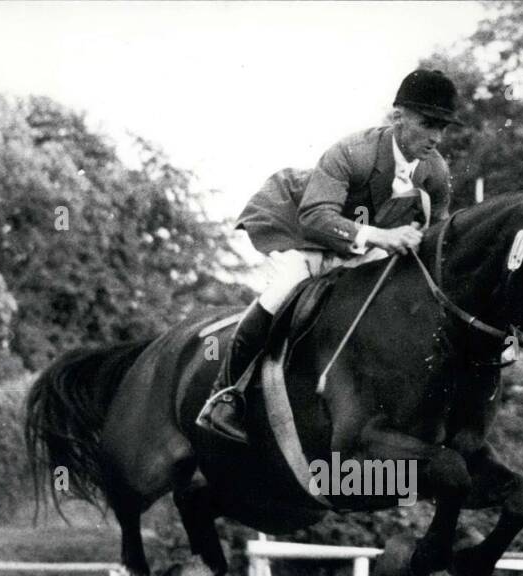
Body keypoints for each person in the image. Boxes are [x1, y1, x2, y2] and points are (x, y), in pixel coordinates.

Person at [196, 68, 459, 443]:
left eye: (443, 127)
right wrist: (381, 236)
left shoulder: (434, 171)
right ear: (398, 116)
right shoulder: (353, 152)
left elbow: (437, 236)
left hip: (357, 247)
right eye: (428, 123)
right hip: (299, 232)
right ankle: (224, 395)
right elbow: (316, 217)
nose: (436, 137)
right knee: (281, 294)